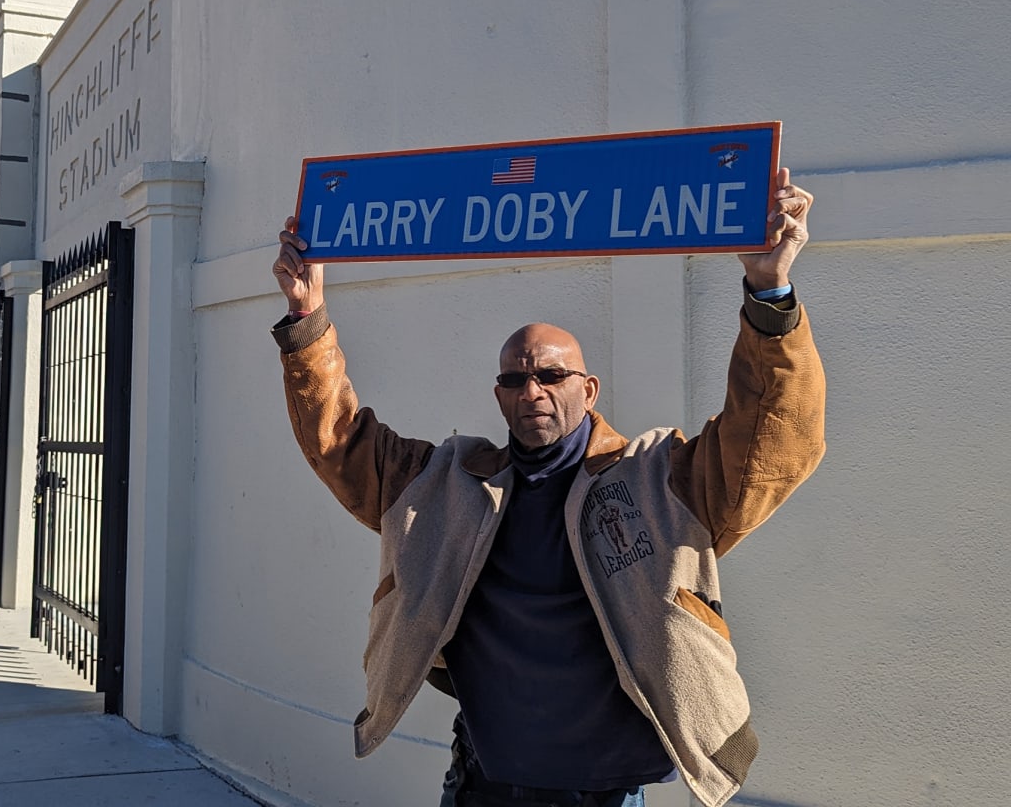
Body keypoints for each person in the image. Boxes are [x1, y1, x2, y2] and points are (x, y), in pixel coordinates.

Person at [269, 168, 825, 807]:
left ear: (588, 390)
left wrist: (770, 293)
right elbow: (340, 442)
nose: (531, 391)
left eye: (551, 376)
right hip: (481, 781)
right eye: (514, 380)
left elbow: (771, 441)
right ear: (498, 396)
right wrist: (307, 318)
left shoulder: (659, 480)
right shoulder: (447, 487)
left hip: (605, 793)